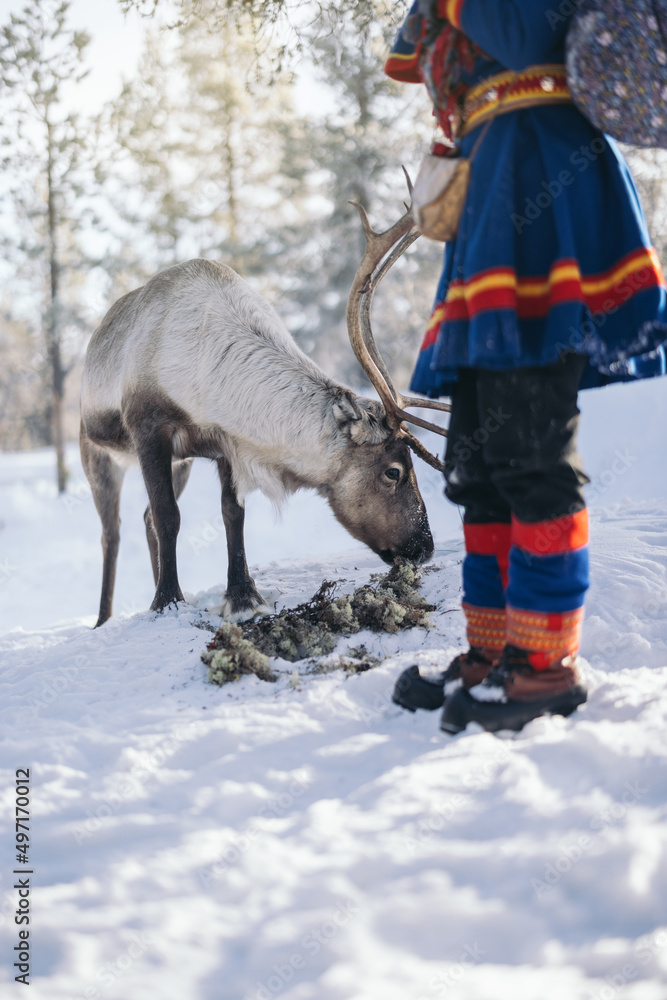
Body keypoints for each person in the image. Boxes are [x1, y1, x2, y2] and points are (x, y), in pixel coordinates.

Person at [385, 0, 667, 733]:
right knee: (476, 460)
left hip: (546, 176)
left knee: (530, 449)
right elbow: (428, 68)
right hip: (492, 187)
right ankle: (494, 650)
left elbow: (526, 34)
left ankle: (545, 667)